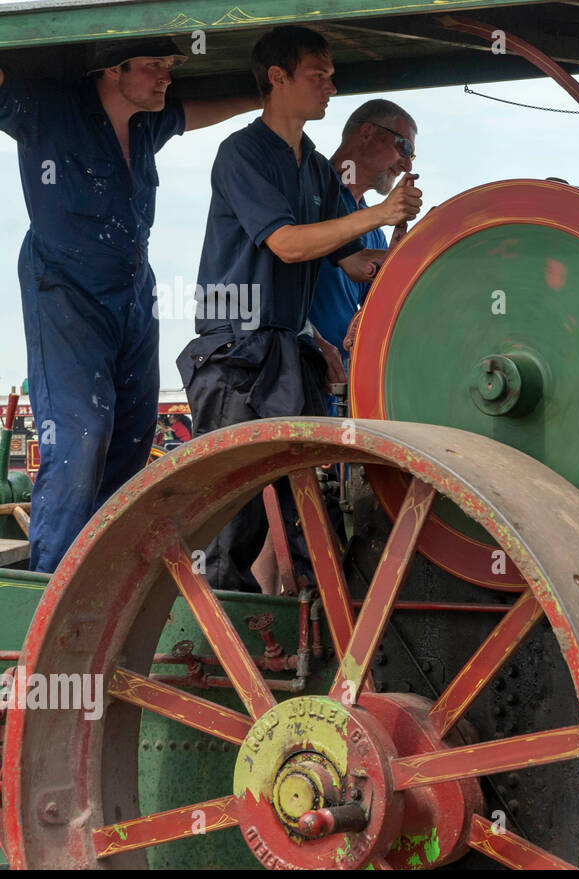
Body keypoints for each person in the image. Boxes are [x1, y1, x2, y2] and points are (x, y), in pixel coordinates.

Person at [1, 37, 259, 572]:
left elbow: (195, 113)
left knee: (134, 432)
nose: (167, 75)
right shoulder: (46, 109)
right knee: (81, 434)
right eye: (155, 66)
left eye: (169, 66)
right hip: (64, 290)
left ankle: (103, 573)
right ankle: (49, 588)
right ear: (112, 69)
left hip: (134, 290)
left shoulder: (148, 125)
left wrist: (264, 98)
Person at [178, 25, 421, 593]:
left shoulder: (312, 165)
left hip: (287, 350)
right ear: (277, 78)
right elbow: (287, 243)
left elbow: (354, 262)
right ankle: (222, 643)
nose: (331, 87)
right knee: (234, 515)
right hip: (237, 353)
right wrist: (379, 214)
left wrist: (415, 250)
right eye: (320, 75)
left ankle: (306, 634)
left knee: (305, 506)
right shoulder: (241, 153)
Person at [307, 98, 417, 377]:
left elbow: (379, 311)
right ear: (367, 133)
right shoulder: (305, 192)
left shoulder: (375, 235)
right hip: (296, 371)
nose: (406, 165)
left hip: (341, 380)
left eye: (411, 157)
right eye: (404, 147)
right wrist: (307, 340)